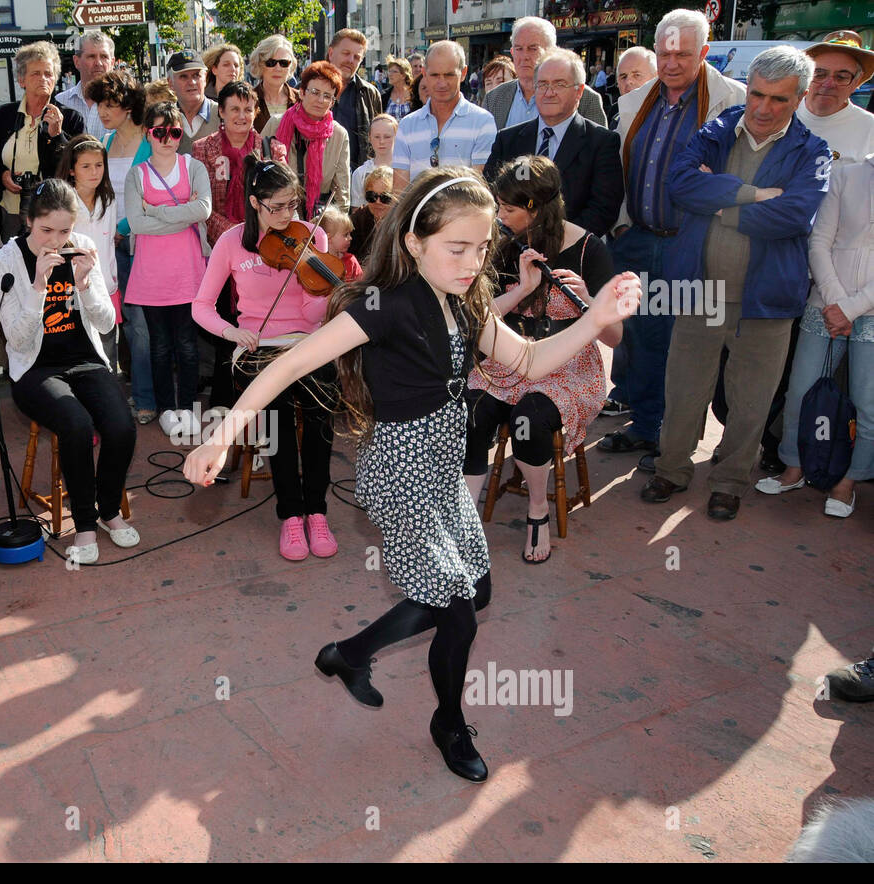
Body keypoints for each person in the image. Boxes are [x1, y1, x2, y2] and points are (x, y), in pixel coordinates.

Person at [183, 167, 641, 782]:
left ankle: (348, 654)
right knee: (456, 607)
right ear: (414, 242)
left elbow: (528, 359)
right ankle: (448, 724)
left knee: (472, 594)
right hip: (402, 469)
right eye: (457, 247)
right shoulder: (386, 305)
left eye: (482, 248)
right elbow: (291, 362)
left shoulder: (468, 297)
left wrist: (594, 319)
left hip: (443, 465)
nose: (472, 261)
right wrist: (224, 432)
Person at [640, 46, 829, 522]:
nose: (764, 109)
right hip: (698, 290)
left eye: (780, 100)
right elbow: (680, 184)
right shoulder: (716, 131)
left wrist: (721, 205)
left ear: (801, 98)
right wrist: (754, 196)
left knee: (750, 401)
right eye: (758, 95)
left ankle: (729, 481)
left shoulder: (812, 150)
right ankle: (672, 468)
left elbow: (793, 214)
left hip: (764, 299)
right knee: (683, 389)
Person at [601, 8, 746, 446]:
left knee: (689, 346)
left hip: (694, 245)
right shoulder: (636, 102)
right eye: (664, 53)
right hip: (640, 240)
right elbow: (622, 170)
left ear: (704, 52)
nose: (671, 63)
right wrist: (624, 228)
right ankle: (647, 427)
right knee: (642, 341)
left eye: (683, 54)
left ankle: (677, 438)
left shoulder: (733, 101)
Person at [464, 157, 620, 562]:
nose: (500, 216)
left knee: (529, 420)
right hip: (510, 359)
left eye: (509, 209)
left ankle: (538, 509)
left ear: (535, 208)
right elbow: (477, 320)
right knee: (473, 411)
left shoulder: (589, 249)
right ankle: (464, 517)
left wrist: (588, 300)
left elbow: (615, 338)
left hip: (567, 368)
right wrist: (520, 290)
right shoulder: (501, 242)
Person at [192, 158, 339, 559]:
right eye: (277, 207)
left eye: (293, 205)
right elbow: (201, 305)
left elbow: (313, 318)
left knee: (320, 410)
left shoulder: (312, 236)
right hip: (258, 347)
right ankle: (291, 515)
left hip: (307, 343)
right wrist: (232, 332)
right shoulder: (232, 242)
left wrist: (314, 287)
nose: (287, 215)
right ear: (255, 203)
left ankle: (317, 511)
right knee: (277, 415)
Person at [0, 179, 137, 565]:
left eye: (65, 230)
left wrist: (85, 284)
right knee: (76, 424)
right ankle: (84, 522)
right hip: (35, 369)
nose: (55, 240)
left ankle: (109, 512)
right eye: (45, 231)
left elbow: (106, 325)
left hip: (84, 360)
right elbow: (17, 343)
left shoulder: (84, 248)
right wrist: (38, 287)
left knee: (122, 424)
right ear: (27, 222)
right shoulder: (4, 261)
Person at [757, 152, 872, 517]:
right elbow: (819, 239)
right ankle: (793, 467)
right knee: (800, 392)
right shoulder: (848, 174)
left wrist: (852, 309)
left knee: (868, 405)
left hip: (867, 311)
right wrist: (836, 303)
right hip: (824, 303)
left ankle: (848, 482)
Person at [192, 80, 288, 410]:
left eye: (248, 109)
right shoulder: (202, 149)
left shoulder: (271, 151)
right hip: (220, 249)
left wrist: (254, 237)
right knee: (225, 325)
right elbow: (203, 206)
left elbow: (281, 203)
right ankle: (224, 403)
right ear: (221, 111)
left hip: (264, 253)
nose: (242, 115)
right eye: (234, 108)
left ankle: (261, 400)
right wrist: (236, 237)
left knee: (257, 324)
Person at [123, 101, 212, 438]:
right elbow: (136, 223)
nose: (167, 138)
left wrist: (157, 212)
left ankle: (187, 407)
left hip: (189, 272)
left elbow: (203, 209)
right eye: (159, 132)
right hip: (151, 276)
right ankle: (165, 408)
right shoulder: (137, 174)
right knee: (159, 346)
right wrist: (180, 214)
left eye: (173, 132)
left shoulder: (194, 168)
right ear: (149, 134)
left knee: (187, 345)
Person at [483, 49, 623, 237]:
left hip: (570, 253)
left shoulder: (602, 142)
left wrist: (555, 240)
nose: (549, 93)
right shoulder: (507, 139)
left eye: (559, 84)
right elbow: (490, 195)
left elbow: (603, 209)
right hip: (512, 250)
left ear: (579, 91)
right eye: (542, 84)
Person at [91, 70, 156, 424]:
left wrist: (122, 228)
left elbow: (152, 195)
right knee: (103, 322)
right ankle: (109, 399)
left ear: (129, 105)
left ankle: (145, 398)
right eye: (100, 103)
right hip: (102, 246)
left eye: (110, 103)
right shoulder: (103, 141)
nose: (103, 110)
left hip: (136, 245)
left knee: (138, 325)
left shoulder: (150, 140)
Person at [0, 41, 83, 238]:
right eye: (35, 74)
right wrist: (3, 176)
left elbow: (76, 169)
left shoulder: (71, 119)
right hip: (11, 214)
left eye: (48, 73)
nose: (43, 79)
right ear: (22, 80)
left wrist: (57, 136)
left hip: (55, 215)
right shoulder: (6, 116)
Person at [393, 41, 497, 193]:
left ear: (463, 73)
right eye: (435, 75)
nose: (442, 83)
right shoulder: (407, 125)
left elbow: (480, 189)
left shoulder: (482, 122)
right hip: (417, 215)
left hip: (464, 215)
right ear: (424, 74)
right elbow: (399, 191)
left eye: (449, 75)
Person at [57, 134, 119, 368]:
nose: (94, 172)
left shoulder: (109, 199)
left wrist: (113, 279)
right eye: (85, 166)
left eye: (99, 165)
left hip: (106, 287)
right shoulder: (62, 201)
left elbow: (110, 243)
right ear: (72, 170)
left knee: (108, 350)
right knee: (78, 353)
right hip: (71, 289)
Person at [482, 19, 606, 129]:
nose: (524, 56)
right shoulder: (494, 99)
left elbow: (598, 148)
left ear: (552, 51)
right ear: (512, 52)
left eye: (533, 48)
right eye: (519, 49)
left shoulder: (585, 98)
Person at [275, 61, 351, 216]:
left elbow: (342, 191)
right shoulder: (277, 123)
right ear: (302, 92)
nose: (321, 100)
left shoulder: (338, 134)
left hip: (318, 220)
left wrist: (334, 225)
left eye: (327, 96)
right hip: (279, 214)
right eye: (315, 92)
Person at [797, 30, 874, 166]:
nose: (828, 84)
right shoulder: (781, 114)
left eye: (841, 77)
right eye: (819, 74)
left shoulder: (870, 128)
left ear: (856, 82)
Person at [327, 29, 382, 173]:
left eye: (357, 57)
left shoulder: (369, 94)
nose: (351, 60)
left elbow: (377, 141)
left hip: (357, 180)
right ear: (331, 53)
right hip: (316, 180)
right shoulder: (308, 89)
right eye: (346, 53)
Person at [56, 30, 114, 138]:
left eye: (104, 56)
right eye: (91, 56)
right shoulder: (60, 103)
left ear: (112, 62)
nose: (98, 63)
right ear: (77, 61)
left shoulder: (125, 105)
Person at [167, 49, 220, 154]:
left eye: (196, 75)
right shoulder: (164, 120)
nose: (192, 82)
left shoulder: (222, 115)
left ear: (205, 79)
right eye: (183, 76)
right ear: (170, 83)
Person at [251, 35, 299, 135]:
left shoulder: (301, 101)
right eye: (271, 62)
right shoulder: (248, 100)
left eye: (284, 63)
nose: (278, 68)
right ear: (260, 64)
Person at [350, 113, 396, 208]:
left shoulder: (404, 171)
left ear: (397, 137)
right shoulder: (360, 173)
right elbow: (357, 211)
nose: (382, 141)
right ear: (370, 138)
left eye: (387, 137)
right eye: (377, 137)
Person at [349, 165, 393, 261]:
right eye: (371, 196)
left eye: (385, 197)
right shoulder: (359, 218)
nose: (377, 202)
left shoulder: (403, 222)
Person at [320, 204, 362, 281]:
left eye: (350, 234)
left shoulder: (351, 260)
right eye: (346, 235)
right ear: (329, 238)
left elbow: (361, 285)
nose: (350, 238)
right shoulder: (319, 262)